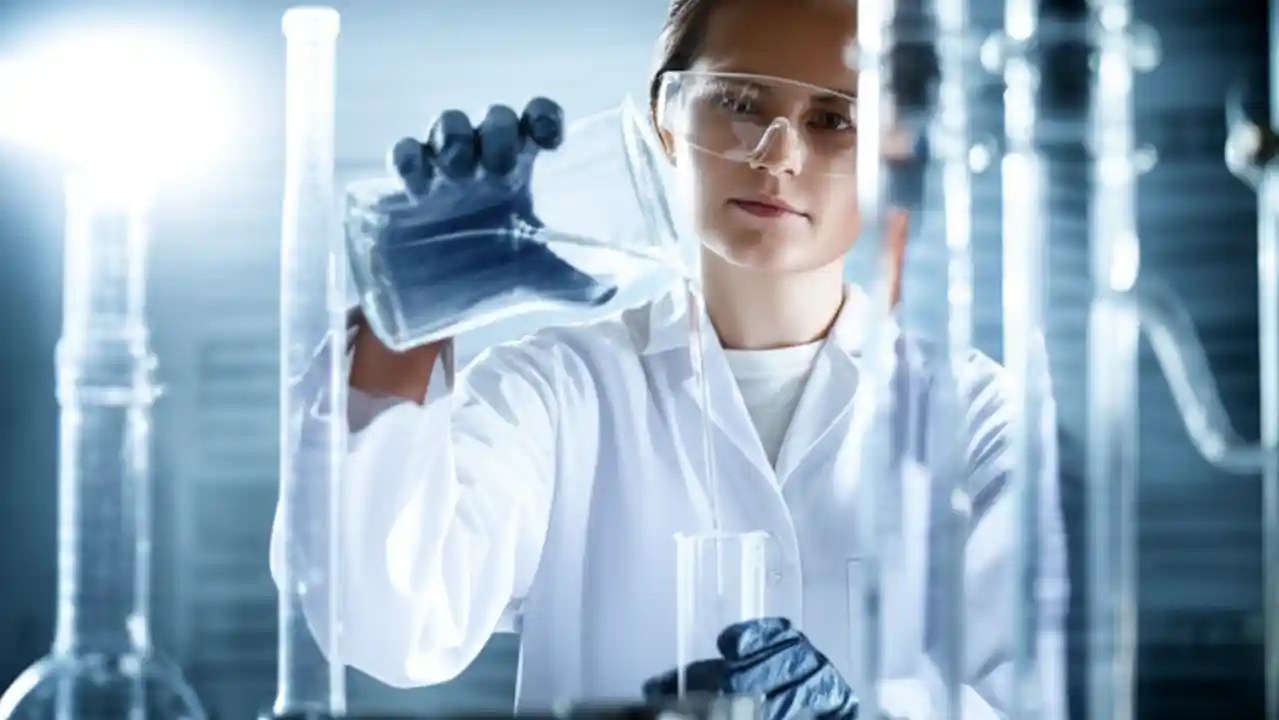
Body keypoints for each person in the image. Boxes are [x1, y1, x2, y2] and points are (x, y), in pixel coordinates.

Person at [270, 0, 1069, 717]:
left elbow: (1029, 702)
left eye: (835, 119)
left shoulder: (972, 412)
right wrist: (407, 316)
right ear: (664, 120)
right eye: (739, 103)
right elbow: (382, 621)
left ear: (899, 151)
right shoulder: (558, 391)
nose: (777, 154)